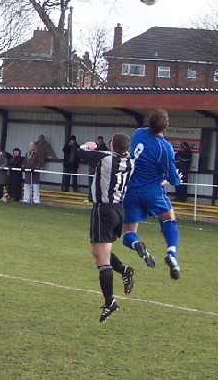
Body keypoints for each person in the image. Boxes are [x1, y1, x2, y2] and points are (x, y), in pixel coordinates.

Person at [78, 134, 136, 322]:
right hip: (119, 211)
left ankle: (110, 301)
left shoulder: (105, 158)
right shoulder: (130, 162)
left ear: (112, 145)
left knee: (102, 259)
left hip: (103, 210)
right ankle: (124, 269)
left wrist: (86, 145)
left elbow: (80, 154)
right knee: (97, 251)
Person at [122, 108, 182, 280]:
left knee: (128, 231)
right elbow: (174, 178)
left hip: (131, 190)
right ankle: (171, 252)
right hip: (152, 191)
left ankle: (136, 245)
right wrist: (174, 178)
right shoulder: (165, 148)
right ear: (166, 126)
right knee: (168, 218)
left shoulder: (138, 133)